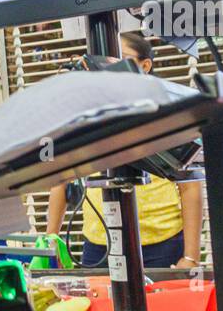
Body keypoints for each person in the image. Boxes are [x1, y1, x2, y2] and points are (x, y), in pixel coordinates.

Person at [45, 31, 204, 270]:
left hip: (161, 243)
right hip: (98, 244)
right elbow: (62, 178)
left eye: (120, 59)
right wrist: (51, 241)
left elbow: (190, 186)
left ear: (145, 65)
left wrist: (190, 257)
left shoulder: (168, 112)